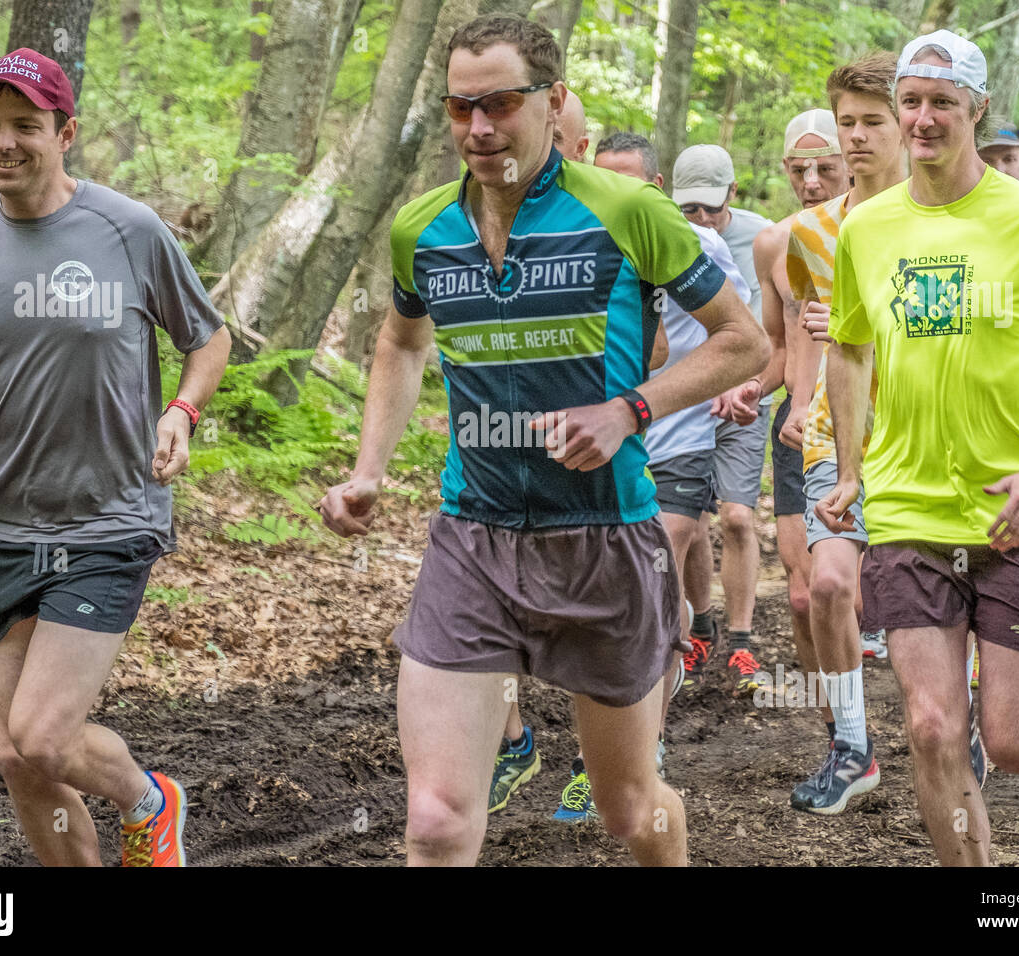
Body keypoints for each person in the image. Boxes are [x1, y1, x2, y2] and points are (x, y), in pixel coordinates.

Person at [319, 15, 768, 866]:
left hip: (604, 536)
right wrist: (368, 469)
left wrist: (628, 410)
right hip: (473, 540)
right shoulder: (423, 230)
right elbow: (401, 342)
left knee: (631, 811)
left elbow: (744, 341)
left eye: (499, 104)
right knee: (438, 822)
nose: (480, 129)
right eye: (461, 108)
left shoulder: (627, 209)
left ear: (552, 101)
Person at [0, 49, 231, 866]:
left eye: (25, 127)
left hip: (107, 517)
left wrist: (181, 409)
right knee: (15, 757)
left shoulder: (129, 229)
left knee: (41, 735)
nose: (4, 143)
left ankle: (151, 800)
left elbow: (206, 337)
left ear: (65, 133)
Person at [819, 30, 1019, 865]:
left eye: (942, 103)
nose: (922, 118)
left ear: (976, 112)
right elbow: (846, 349)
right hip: (908, 503)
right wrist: (850, 469)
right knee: (929, 726)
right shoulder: (866, 228)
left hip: (1017, 506)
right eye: (909, 102)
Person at [545, 132, 755, 822]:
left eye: (630, 185)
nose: (612, 200)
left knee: (655, 565)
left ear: (656, 189)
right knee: (611, 600)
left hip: (677, 440)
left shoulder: (702, 249)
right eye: (599, 182)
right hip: (593, 454)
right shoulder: (564, 247)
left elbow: (744, 340)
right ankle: (678, 647)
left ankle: (633, 751)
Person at [785, 52, 905, 814]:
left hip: (927, 434)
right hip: (839, 433)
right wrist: (798, 402)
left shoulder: (942, 221)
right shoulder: (807, 234)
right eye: (846, 123)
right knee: (827, 584)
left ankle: (961, 726)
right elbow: (805, 333)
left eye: (871, 122)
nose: (856, 138)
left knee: (936, 589)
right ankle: (852, 746)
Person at [489, 87, 591, 816]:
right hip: (490, 489)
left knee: (588, 641)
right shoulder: (469, 226)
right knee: (484, 635)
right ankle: (514, 741)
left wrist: (629, 409)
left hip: (607, 494)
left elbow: (720, 340)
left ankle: (603, 761)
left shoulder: (621, 219)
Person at [670, 144, 785, 691]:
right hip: (686, 399)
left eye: (710, 208)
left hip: (745, 396)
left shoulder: (763, 238)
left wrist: (750, 384)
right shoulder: (665, 236)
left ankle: (741, 642)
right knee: (687, 525)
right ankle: (699, 627)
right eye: (689, 208)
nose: (701, 219)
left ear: (732, 195)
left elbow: (769, 330)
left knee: (737, 517)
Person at [754, 111, 849, 710]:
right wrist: (749, 389)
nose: (811, 180)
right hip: (798, 424)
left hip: (875, 422)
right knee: (801, 594)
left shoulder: (892, 225)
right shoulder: (775, 241)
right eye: (798, 168)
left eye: (825, 167)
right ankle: (836, 727)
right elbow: (780, 346)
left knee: (855, 590)